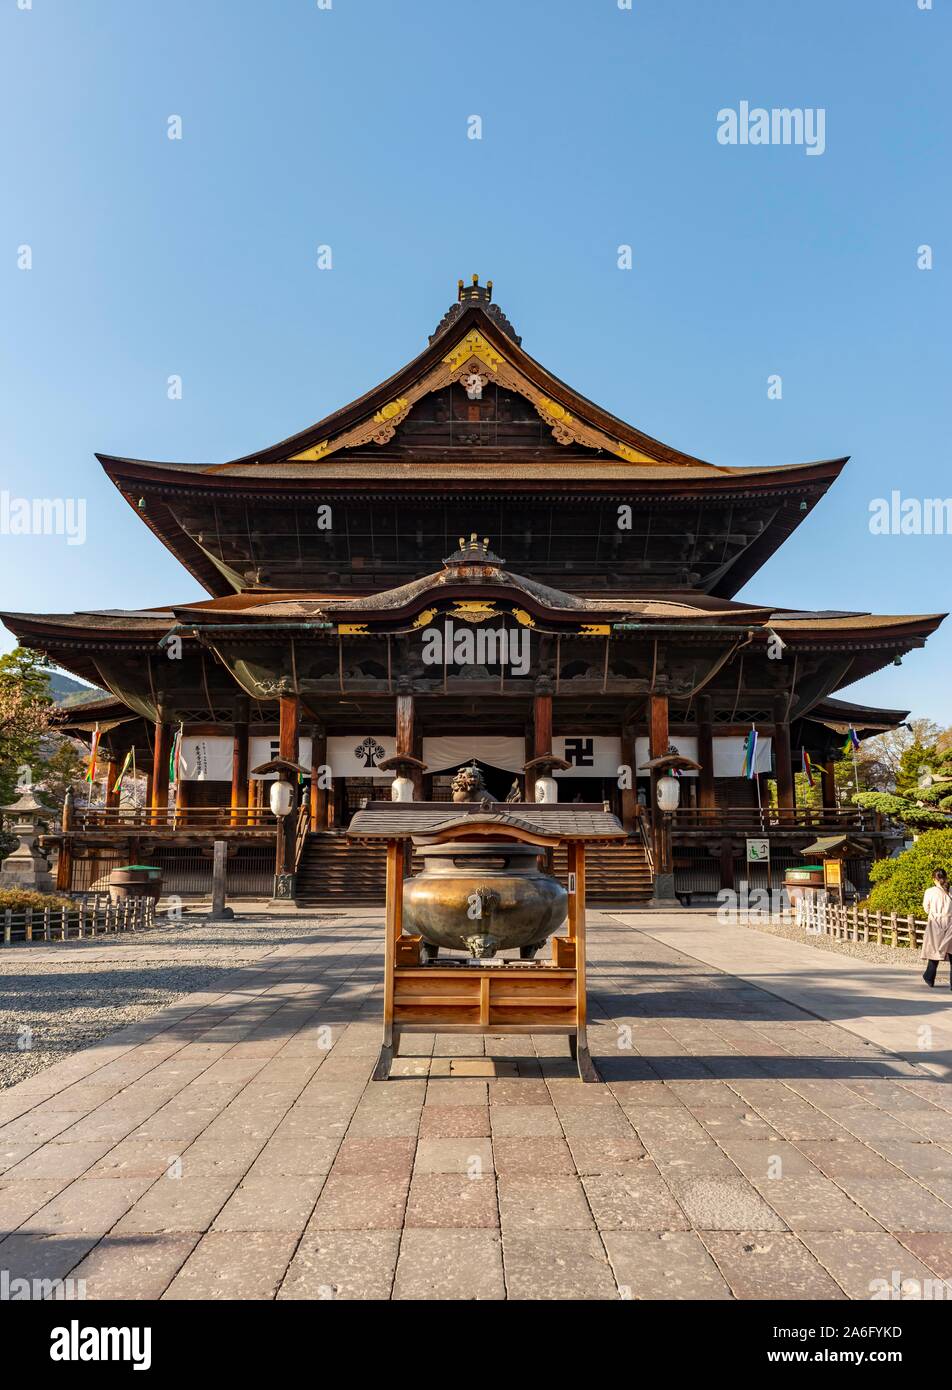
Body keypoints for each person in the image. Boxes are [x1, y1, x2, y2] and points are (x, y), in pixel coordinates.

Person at [921, 868, 952, 988]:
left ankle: (929, 978)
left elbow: (926, 908)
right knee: (951, 952)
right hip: (950, 922)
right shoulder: (951, 890)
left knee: (935, 952)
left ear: (934, 879)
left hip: (935, 922)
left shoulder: (930, 891)